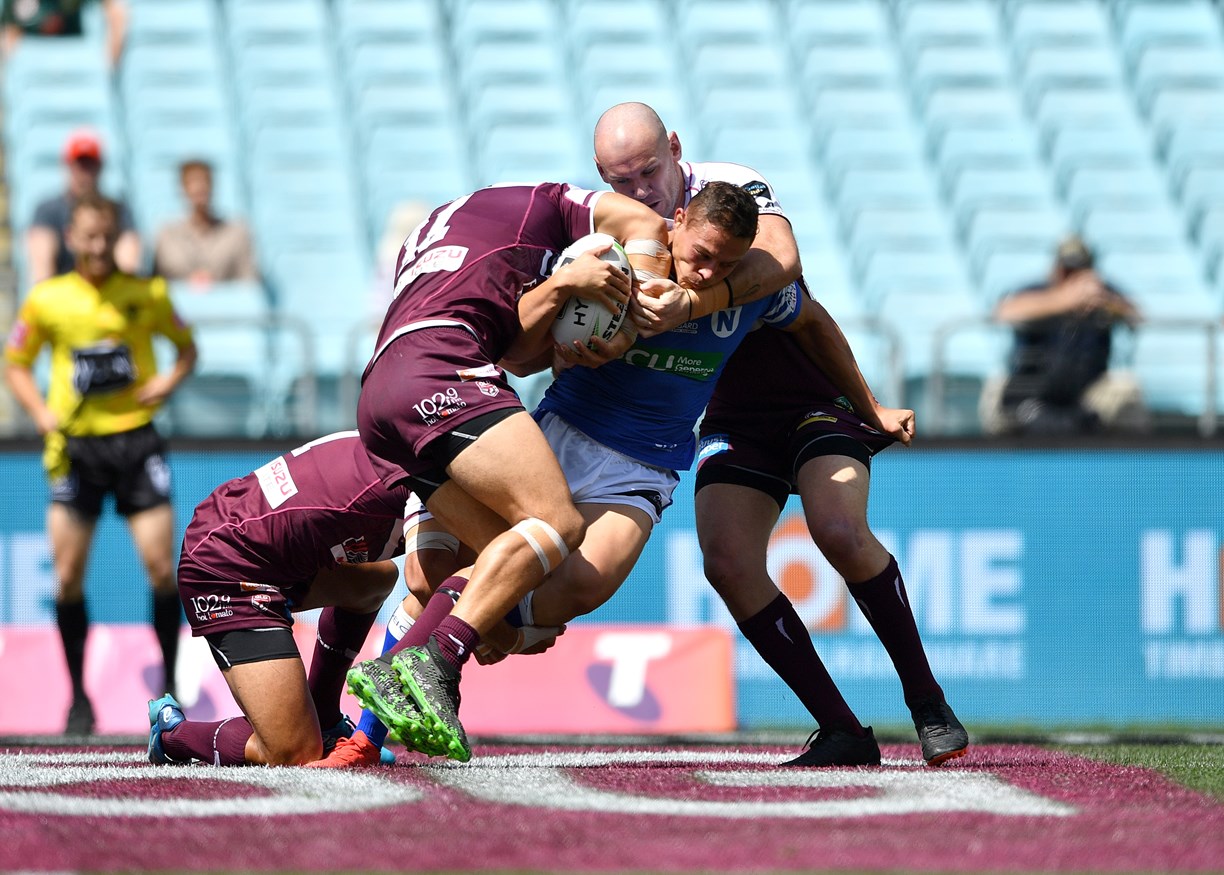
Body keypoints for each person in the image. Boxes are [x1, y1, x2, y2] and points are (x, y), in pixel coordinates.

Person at [592, 102, 968, 767]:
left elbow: (790, 278)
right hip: (734, 419)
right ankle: (842, 730)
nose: (640, 192)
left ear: (676, 149)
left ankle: (927, 700)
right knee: (727, 561)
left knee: (839, 531)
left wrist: (872, 405)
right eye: (621, 181)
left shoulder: (727, 201)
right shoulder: (618, 238)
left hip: (813, 402)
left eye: (649, 172)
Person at [342, 181, 673, 763]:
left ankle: (364, 738)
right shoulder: (546, 204)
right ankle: (434, 662)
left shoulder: (445, 230)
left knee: (470, 564)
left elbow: (517, 351)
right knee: (557, 523)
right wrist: (631, 303)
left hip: (380, 392)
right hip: (445, 370)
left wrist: (559, 311)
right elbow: (641, 221)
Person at [144, 431, 506, 768]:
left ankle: (326, 717)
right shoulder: (439, 472)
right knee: (294, 751)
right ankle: (174, 734)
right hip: (227, 564)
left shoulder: (434, 450)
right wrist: (488, 627)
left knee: (377, 580)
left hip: (272, 553)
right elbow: (431, 585)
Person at [3, 194, 196, 735]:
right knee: (66, 577)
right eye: (86, 236)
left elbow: (186, 347)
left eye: (104, 236)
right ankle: (78, 698)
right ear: (71, 238)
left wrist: (168, 380)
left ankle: (172, 685)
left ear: (115, 237)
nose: (95, 246)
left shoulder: (146, 294)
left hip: (136, 442)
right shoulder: (48, 300)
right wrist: (41, 414)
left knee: (161, 569)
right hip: (76, 447)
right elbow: (15, 362)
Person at [981, 234, 1146, 436]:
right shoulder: (1037, 292)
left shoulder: (1103, 294)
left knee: (1127, 388)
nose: (1073, 277)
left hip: (1088, 390)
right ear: (1055, 269)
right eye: (1067, 270)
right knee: (996, 390)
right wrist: (1064, 301)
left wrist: (1103, 301)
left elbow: (1136, 316)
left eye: (1080, 270)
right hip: (1031, 387)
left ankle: (1130, 460)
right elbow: (1003, 313)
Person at [26, 129, 142, 286]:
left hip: (109, 296)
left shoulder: (119, 210)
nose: (85, 172)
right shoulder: (48, 211)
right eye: (80, 163)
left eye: (90, 164)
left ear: (100, 166)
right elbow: (42, 271)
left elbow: (128, 265)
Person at [152, 159, 259, 286]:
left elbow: (249, 284)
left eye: (204, 181)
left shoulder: (236, 233)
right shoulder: (167, 235)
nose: (199, 188)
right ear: (183, 188)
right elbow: (156, 281)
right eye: (192, 182)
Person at [1, 0, 127, 66]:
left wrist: (107, 65)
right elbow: (9, 35)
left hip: (76, 61)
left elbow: (116, 13)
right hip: (35, 64)